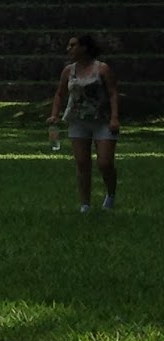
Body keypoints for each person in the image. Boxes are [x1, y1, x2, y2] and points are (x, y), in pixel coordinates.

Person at [49, 34, 120, 212]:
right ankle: (85, 204)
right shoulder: (68, 71)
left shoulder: (102, 69)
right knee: (82, 164)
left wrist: (114, 117)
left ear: (84, 48)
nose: (68, 49)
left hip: (102, 121)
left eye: (72, 45)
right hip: (78, 121)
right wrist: (55, 115)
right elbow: (59, 94)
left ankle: (110, 194)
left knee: (105, 163)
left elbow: (112, 93)